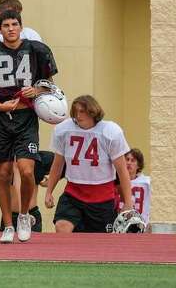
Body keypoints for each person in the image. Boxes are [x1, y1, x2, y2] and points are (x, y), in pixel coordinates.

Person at [0, 8, 57, 243]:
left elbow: (50, 85)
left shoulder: (37, 50)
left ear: (21, 26)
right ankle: (7, 225)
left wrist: (36, 90)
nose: (11, 28)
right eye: (6, 25)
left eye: (14, 24)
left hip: (26, 119)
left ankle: (24, 215)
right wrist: (0, 105)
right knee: (3, 174)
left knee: (27, 171)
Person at [42, 95, 137, 234]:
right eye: (76, 111)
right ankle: (67, 256)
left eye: (83, 111)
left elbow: (122, 171)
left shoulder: (110, 132)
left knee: (99, 244)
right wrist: (49, 191)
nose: (78, 115)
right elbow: (57, 165)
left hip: (102, 197)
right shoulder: (64, 130)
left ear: (93, 111)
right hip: (73, 193)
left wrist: (128, 203)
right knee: (62, 227)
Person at [123, 148, 152, 227]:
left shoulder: (147, 182)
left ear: (138, 165)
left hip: (139, 225)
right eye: (127, 159)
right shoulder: (116, 181)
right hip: (120, 224)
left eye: (133, 160)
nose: (129, 163)